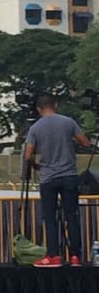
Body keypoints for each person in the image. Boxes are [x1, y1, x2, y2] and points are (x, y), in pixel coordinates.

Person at [24, 93, 92, 267]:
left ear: (39, 109)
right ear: (55, 105)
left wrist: (35, 165)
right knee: (72, 215)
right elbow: (85, 143)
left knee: (50, 217)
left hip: (48, 178)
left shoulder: (35, 128)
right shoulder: (68, 122)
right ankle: (75, 256)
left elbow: (28, 154)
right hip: (69, 175)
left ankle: (53, 255)